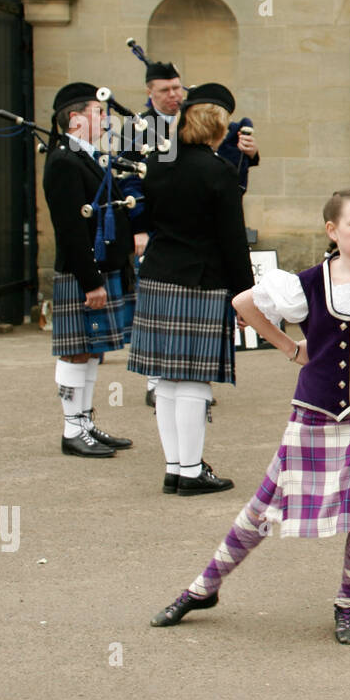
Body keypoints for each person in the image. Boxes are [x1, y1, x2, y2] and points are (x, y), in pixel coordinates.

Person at [149, 129, 350, 644]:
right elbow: (243, 304)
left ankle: (346, 603)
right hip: (316, 413)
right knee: (260, 512)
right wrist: (291, 349)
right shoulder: (303, 283)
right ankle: (204, 586)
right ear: (333, 230)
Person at [127, 84, 254, 496]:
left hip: (158, 276)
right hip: (201, 282)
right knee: (195, 382)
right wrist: (245, 296)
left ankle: (174, 468)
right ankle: (192, 471)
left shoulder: (160, 165)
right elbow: (233, 241)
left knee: (165, 380)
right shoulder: (219, 171)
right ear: (219, 125)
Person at [42, 83, 136, 458]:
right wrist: (91, 281)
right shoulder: (64, 160)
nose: (106, 119)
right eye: (99, 114)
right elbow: (69, 229)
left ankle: (84, 421)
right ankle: (71, 429)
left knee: (92, 350)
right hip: (83, 272)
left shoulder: (88, 157)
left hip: (101, 268)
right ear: (76, 119)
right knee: (75, 352)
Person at [133, 60, 185, 407]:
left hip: (188, 228)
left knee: (184, 305)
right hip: (153, 228)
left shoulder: (189, 122)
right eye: (166, 90)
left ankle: (183, 376)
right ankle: (155, 379)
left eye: (178, 88)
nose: (174, 96)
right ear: (149, 91)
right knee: (155, 306)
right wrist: (138, 229)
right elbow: (127, 179)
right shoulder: (137, 128)